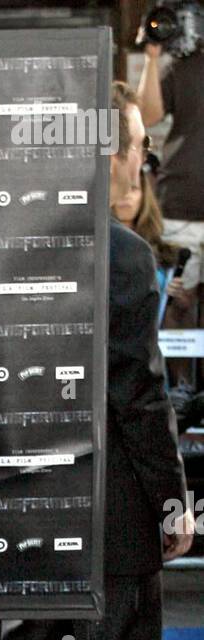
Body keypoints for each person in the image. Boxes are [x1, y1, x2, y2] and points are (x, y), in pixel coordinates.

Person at [0, 82, 195, 640]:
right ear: (102, 153)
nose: (143, 163)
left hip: (24, 499)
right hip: (107, 507)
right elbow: (139, 396)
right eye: (135, 144)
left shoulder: (12, 241)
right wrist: (173, 499)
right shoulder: (120, 254)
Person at [136, 30, 204, 388]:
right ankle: (180, 397)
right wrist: (151, 57)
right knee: (177, 303)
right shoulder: (182, 64)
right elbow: (146, 115)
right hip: (180, 206)